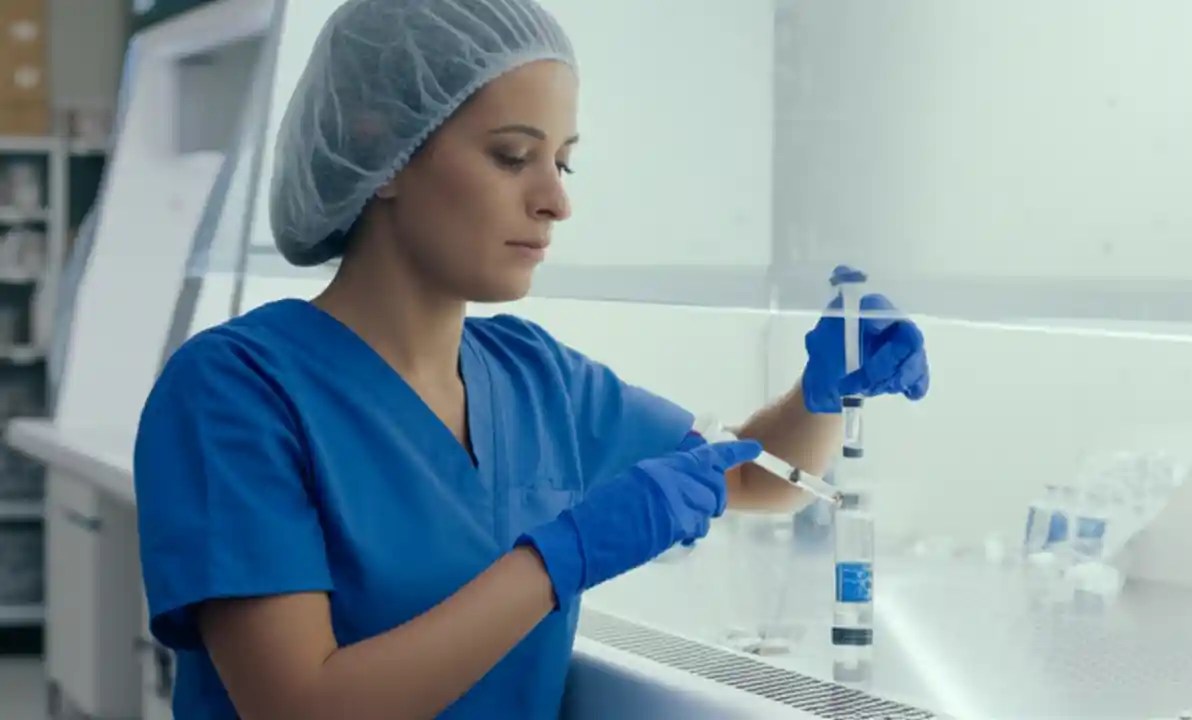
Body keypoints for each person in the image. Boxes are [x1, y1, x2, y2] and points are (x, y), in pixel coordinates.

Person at [131, 0, 930, 718]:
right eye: (514, 157)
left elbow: (754, 480)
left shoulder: (534, 377)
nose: (556, 200)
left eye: (564, 161)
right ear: (383, 152)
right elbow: (300, 707)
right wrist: (558, 561)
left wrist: (823, 390)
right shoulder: (235, 391)